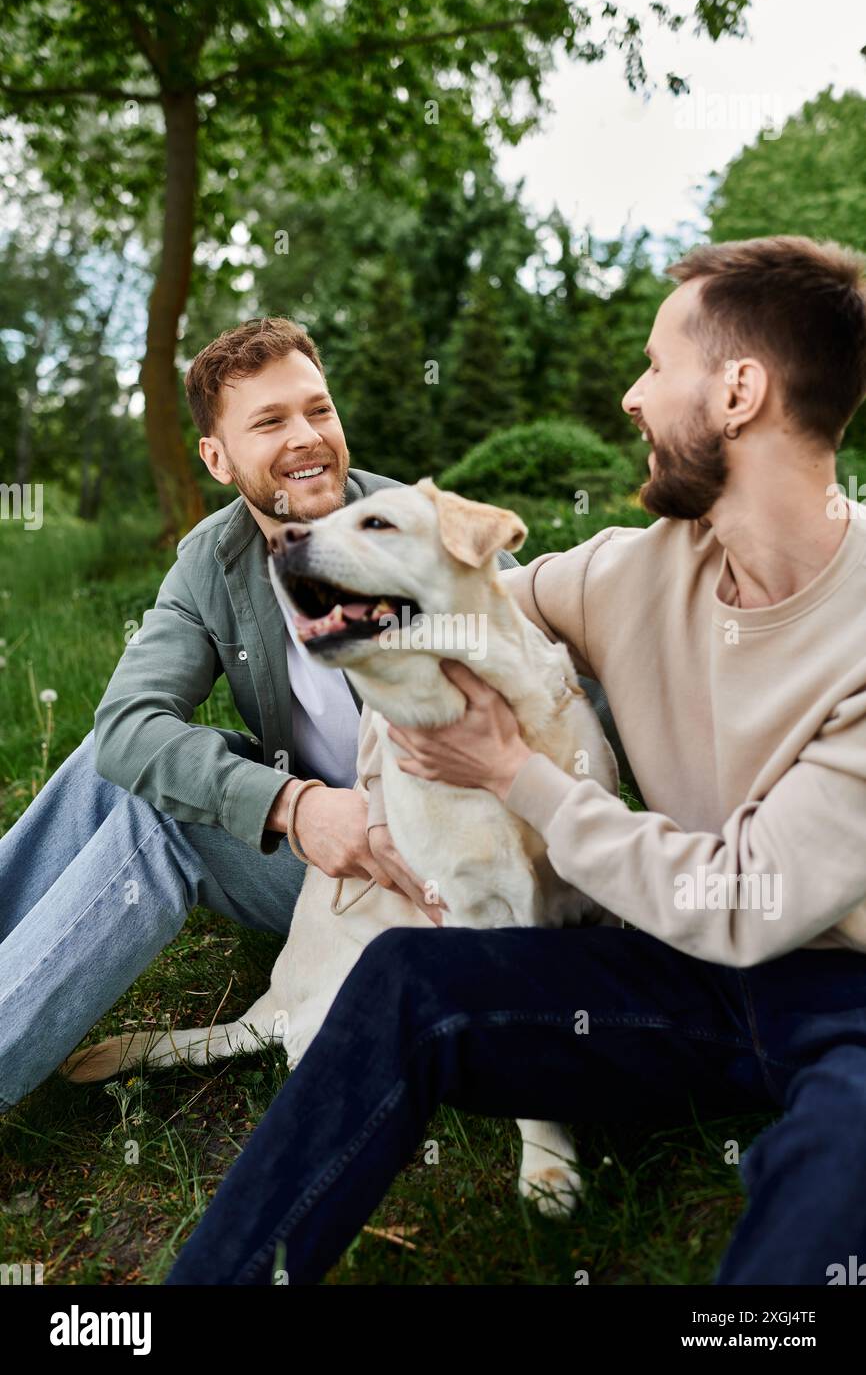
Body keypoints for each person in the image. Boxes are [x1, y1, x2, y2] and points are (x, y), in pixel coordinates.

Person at [166, 235, 866, 1286]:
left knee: (836, 1169)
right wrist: (392, 746)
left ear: (736, 390)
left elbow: (743, 902)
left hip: (839, 998)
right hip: (676, 979)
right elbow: (467, 609)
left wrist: (512, 772)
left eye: (653, 366)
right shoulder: (635, 573)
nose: (630, 397)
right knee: (405, 976)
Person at [0, 317, 527, 1112]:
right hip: (328, 858)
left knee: (162, 819)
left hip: (456, 877)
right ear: (216, 458)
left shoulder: (428, 527)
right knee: (110, 764)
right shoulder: (212, 559)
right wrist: (295, 804)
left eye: (318, 410)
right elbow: (126, 726)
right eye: (271, 421)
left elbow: (563, 691)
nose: (307, 438)